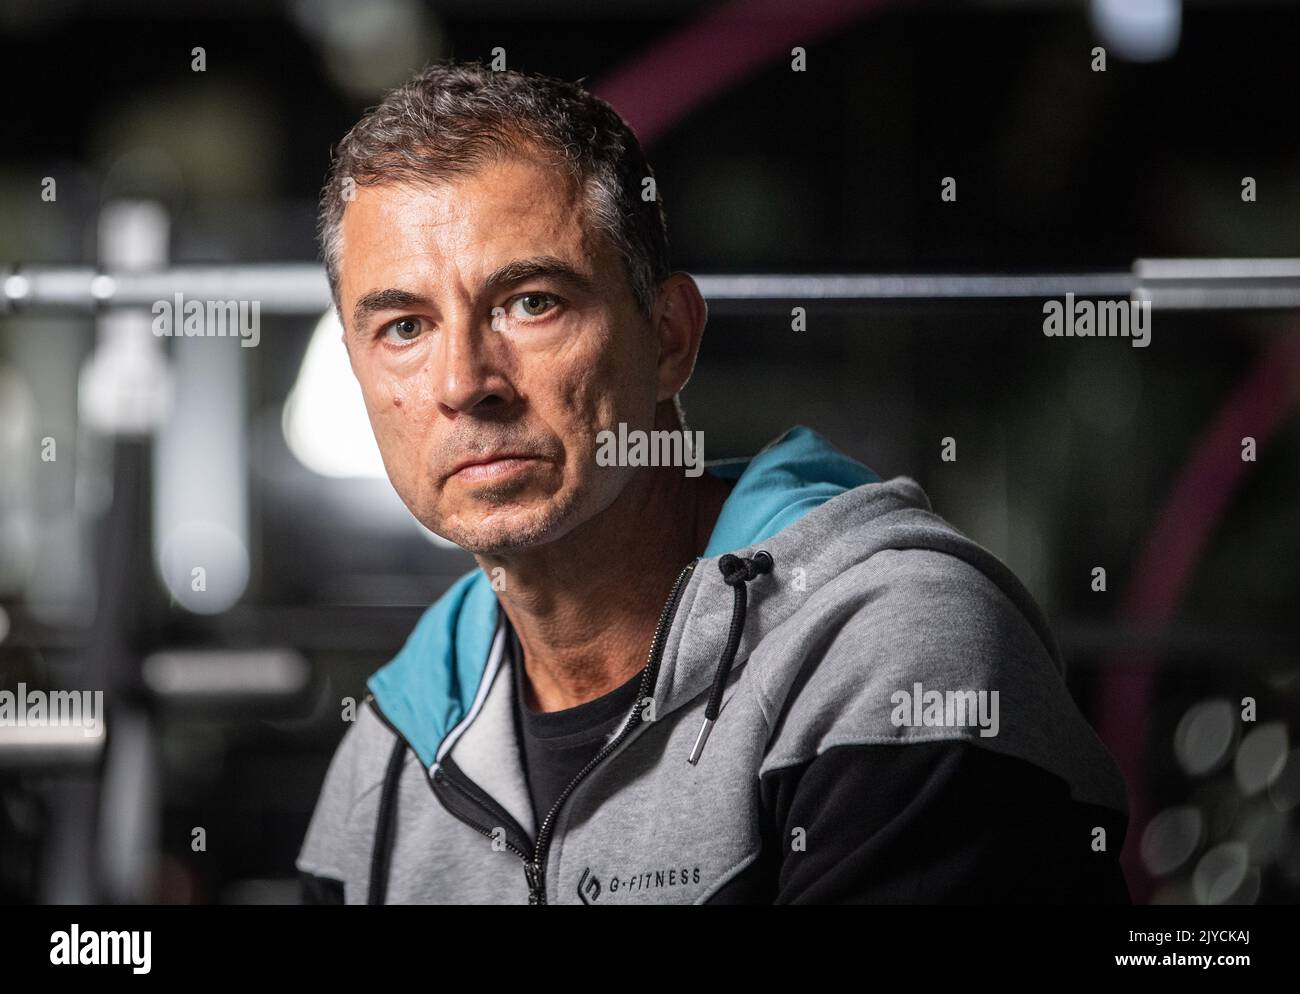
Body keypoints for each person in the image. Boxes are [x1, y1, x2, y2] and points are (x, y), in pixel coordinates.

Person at [295, 60, 1130, 905]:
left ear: (668, 339)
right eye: (404, 327)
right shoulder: (393, 751)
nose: (463, 382)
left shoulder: (900, 652)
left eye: (532, 302)